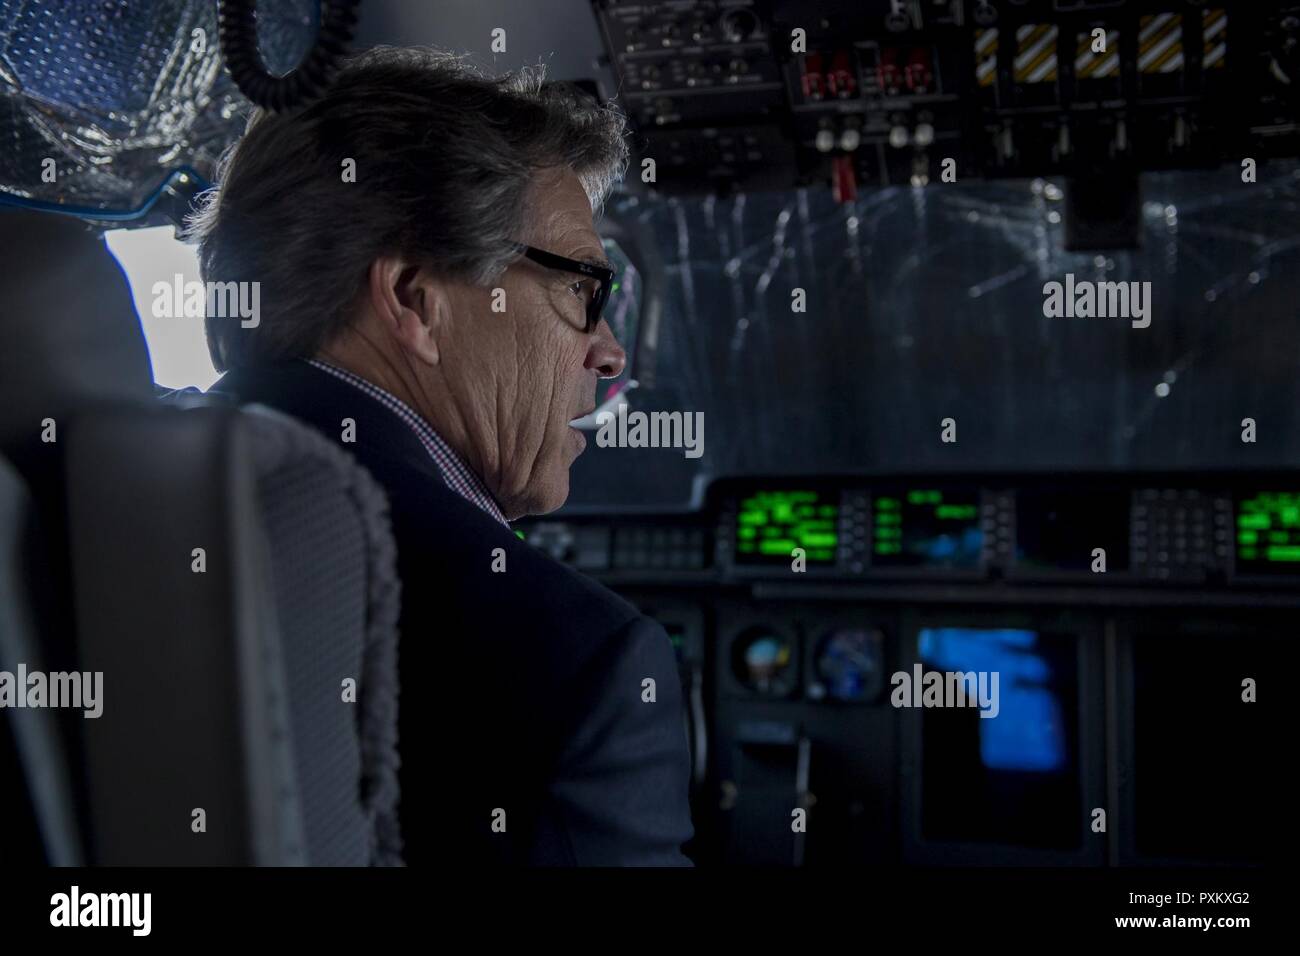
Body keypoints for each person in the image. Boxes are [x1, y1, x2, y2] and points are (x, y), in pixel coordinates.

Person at [187, 46, 694, 865]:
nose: (608, 356)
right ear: (417, 300)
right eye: (581, 290)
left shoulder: (104, 506)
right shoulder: (573, 661)